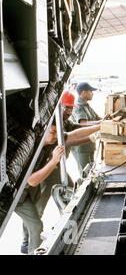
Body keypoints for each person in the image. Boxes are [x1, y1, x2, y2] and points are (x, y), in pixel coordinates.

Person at [15, 122, 100, 254]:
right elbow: (32, 181)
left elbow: (74, 135)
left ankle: (31, 247)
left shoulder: (50, 141)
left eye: (56, 132)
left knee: (35, 223)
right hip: (15, 196)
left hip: (26, 192)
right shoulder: (31, 150)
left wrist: (100, 126)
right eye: (52, 132)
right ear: (43, 132)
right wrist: (53, 161)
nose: (55, 135)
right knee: (36, 225)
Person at [71, 82, 102, 176]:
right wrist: (100, 124)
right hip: (81, 146)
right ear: (84, 92)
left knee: (91, 171)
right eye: (91, 91)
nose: (92, 93)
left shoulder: (86, 105)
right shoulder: (78, 106)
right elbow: (83, 123)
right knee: (85, 174)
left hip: (89, 144)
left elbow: (98, 119)